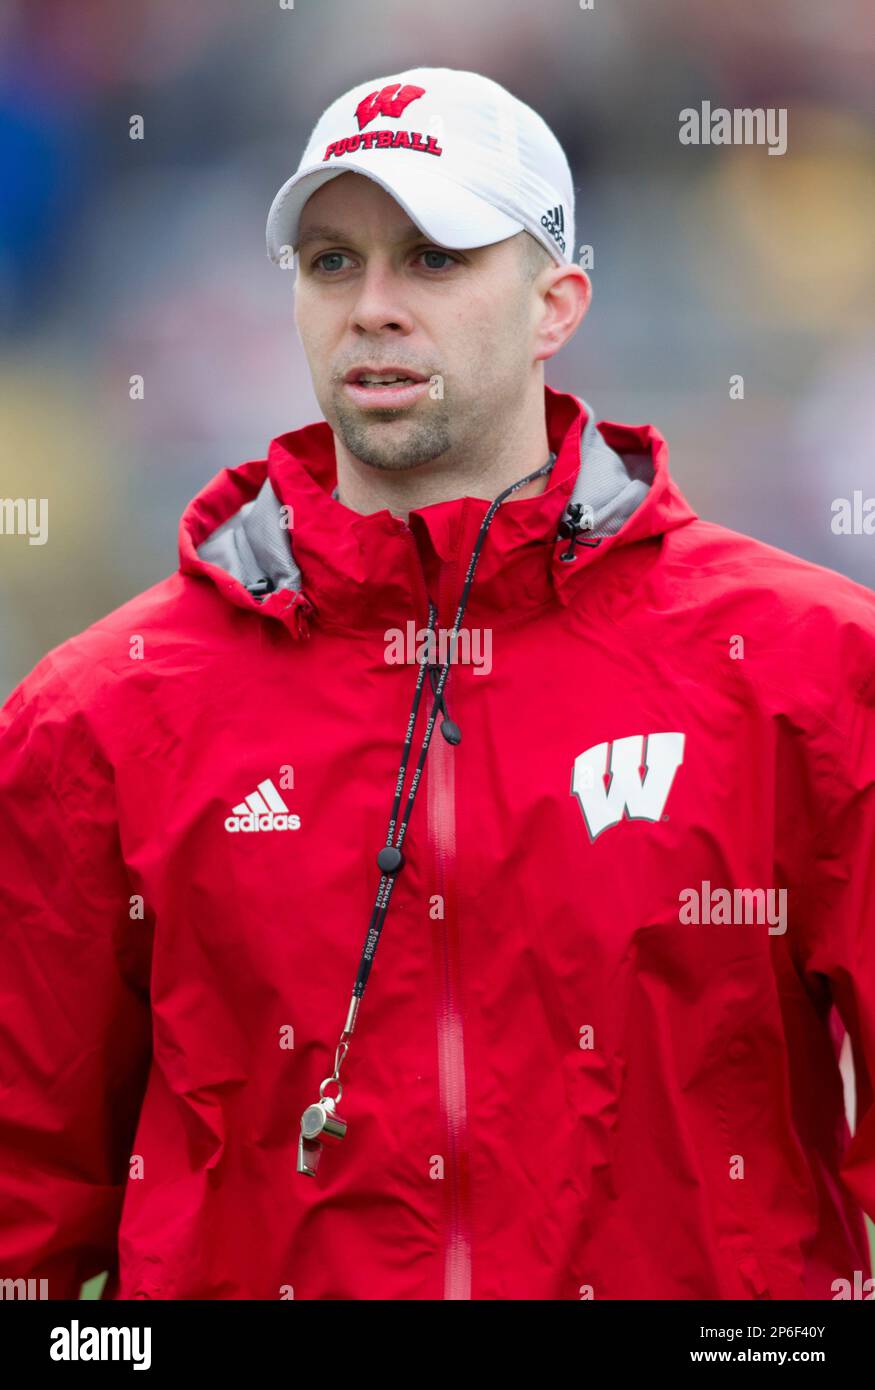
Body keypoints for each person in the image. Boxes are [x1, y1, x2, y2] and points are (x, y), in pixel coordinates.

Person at [0, 65, 873, 1303]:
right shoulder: (99, 714)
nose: (372, 307)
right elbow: (22, 1207)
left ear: (555, 302)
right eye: (331, 263)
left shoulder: (808, 670)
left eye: (435, 258)